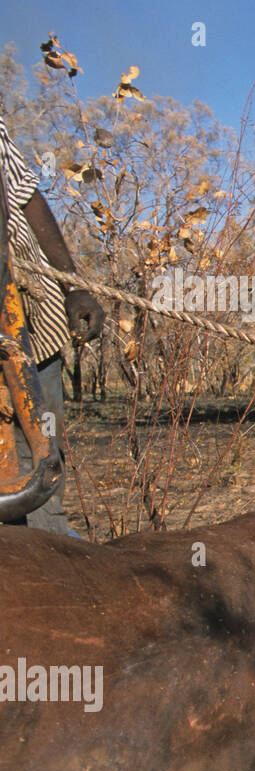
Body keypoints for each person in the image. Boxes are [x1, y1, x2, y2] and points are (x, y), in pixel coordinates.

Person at [0, 112, 104, 535]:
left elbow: (28, 197)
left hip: (30, 317)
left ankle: (54, 548)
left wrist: (73, 286)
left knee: (42, 459)